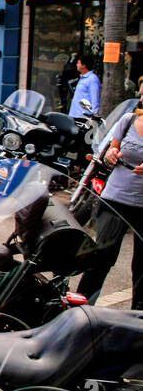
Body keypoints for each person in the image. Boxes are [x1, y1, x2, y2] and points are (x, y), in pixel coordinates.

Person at [77, 103, 143, 307]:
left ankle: (137, 321)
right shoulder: (128, 120)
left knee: (142, 267)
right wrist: (111, 156)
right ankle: (80, 310)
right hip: (115, 199)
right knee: (101, 258)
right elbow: (109, 154)